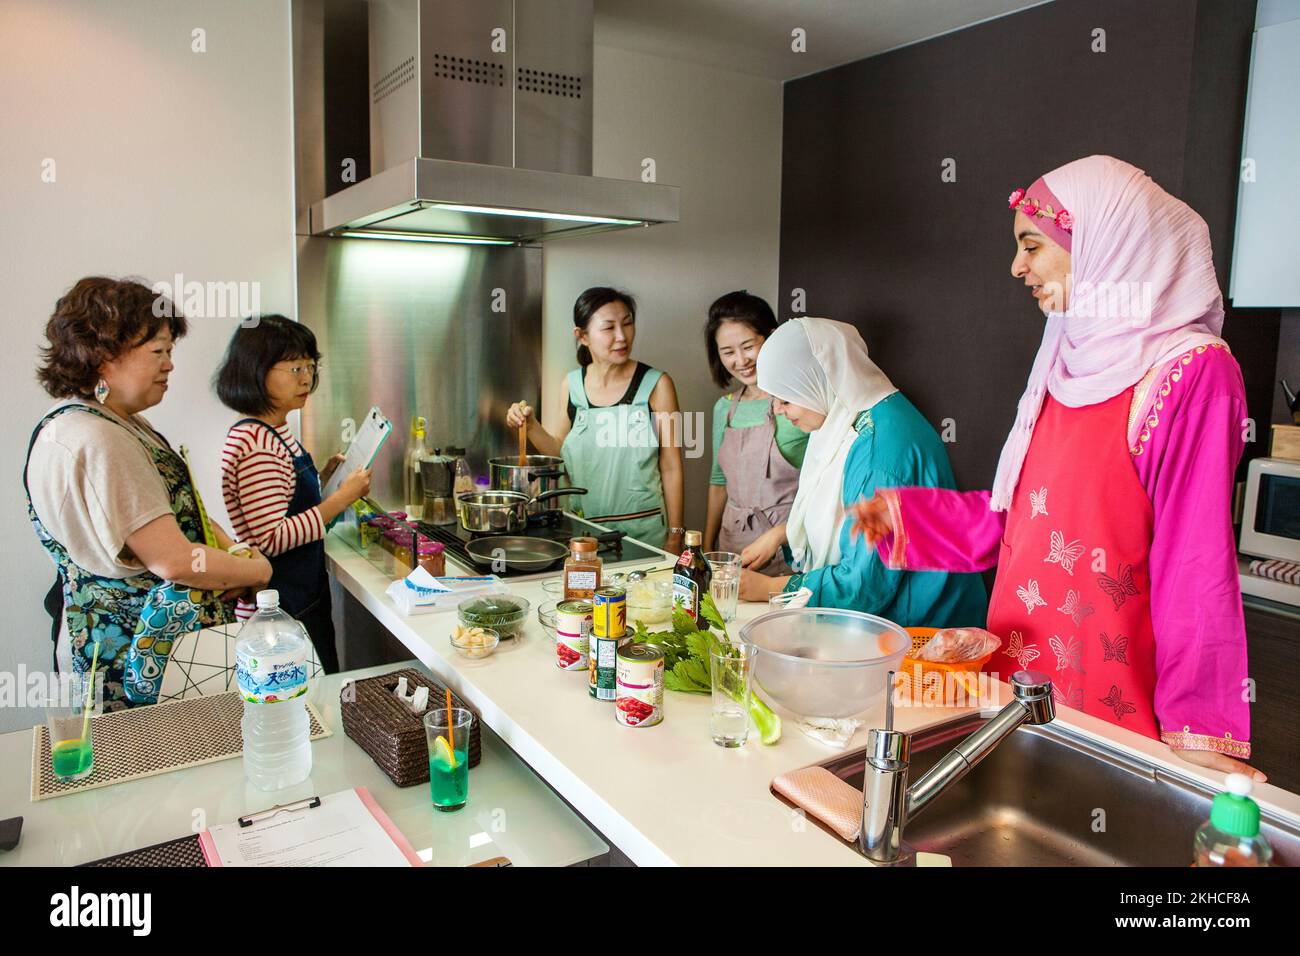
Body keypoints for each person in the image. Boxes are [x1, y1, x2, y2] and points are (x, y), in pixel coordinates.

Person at [850, 155, 1263, 781]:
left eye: (1032, 246)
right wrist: (909, 518)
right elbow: (1026, 519)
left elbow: (1195, 560)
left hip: (1118, 708)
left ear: (1103, 242)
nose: (1017, 267)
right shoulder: (1063, 363)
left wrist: (1198, 725)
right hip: (1017, 692)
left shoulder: (1194, 373)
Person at [26, 277, 272, 708]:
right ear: (103, 356)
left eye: (170, 352)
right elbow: (174, 560)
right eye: (157, 351)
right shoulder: (101, 439)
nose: (169, 365)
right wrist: (258, 572)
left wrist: (232, 553)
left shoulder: (93, 422)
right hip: (138, 656)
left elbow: (177, 514)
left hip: (129, 644)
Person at [737, 316, 987, 630]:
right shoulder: (858, 416)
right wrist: (781, 533)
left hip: (924, 630)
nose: (778, 411)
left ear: (818, 381)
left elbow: (864, 586)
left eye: (785, 399)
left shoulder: (879, 453)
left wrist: (766, 589)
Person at [215, 315, 371, 674]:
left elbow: (282, 502)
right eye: (295, 367)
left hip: (299, 600)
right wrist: (340, 499)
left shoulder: (273, 431)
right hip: (281, 611)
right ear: (256, 370)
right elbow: (270, 538)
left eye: (310, 366)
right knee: (308, 705)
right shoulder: (257, 444)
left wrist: (325, 480)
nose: (306, 378)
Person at [506, 288, 685, 551]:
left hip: (645, 534)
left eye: (627, 323)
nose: (622, 337)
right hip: (582, 534)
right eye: (609, 328)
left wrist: (675, 536)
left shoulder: (656, 385)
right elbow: (560, 451)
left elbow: (671, 466)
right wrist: (530, 427)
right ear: (582, 336)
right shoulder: (572, 385)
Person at [701, 291, 807, 574]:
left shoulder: (800, 403)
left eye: (748, 346)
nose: (740, 360)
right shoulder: (723, 408)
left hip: (788, 543)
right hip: (732, 543)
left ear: (772, 338)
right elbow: (718, 482)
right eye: (728, 352)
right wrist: (706, 545)